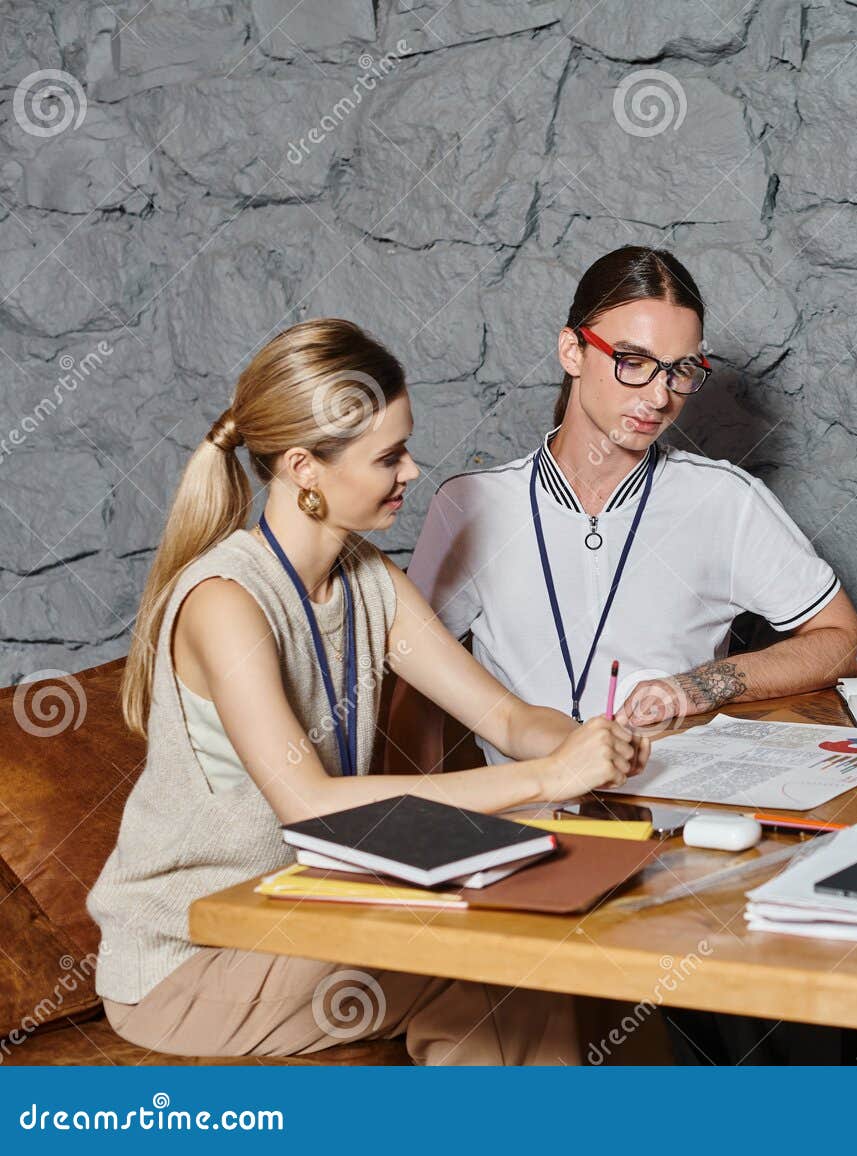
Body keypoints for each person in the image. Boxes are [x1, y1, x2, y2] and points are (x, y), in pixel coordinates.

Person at [88, 319, 648, 1065]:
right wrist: (549, 779)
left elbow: (509, 718)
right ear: (304, 469)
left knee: (562, 949)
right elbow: (310, 806)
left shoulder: (368, 580)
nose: (411, 470)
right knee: (506, 962)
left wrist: (590, 744)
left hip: (314, 911)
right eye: (389, 456)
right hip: (194, 958)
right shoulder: (225, 601)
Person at [389, 245, 857, 770]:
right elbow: (416, 687)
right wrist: (416, 813)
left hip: (688, 807)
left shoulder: (724, 499)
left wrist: (702, 685)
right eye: (633, 362)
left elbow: (845, 641)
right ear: (572, 351)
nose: (659, 397)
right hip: (528, 808)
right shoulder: (470, 505)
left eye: (680, 370)